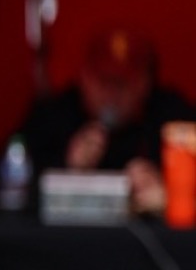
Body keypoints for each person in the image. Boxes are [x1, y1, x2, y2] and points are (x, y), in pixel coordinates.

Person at [12, 27, 194, 214]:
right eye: (103, 80)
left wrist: (170, 195)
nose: (111, 94)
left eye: (122, 83)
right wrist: (66, 167)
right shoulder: (53, 116)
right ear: (84, 77)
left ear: (145, 84)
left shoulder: (173, 119)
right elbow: (7, 192)